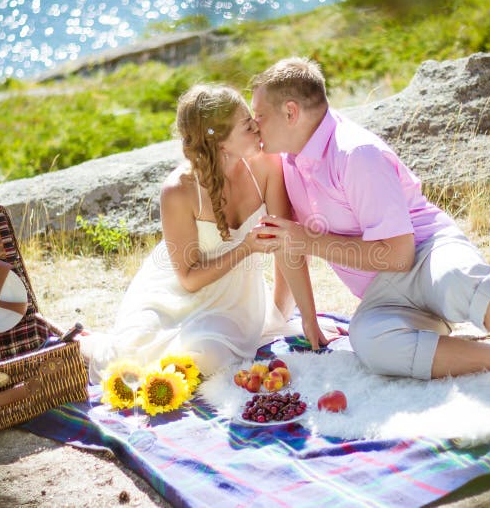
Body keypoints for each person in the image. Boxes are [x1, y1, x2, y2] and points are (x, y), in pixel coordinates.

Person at [248, 57, 490, 430]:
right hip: (383, 292)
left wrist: (310, 241)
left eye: (259, 115)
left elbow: (398, 255)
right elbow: (287, 241)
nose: (254, 124)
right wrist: (309, 320)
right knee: (369, 341)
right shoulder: (288, 161)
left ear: (290, 112)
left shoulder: (355, 153)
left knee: (461, 278)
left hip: (427, 254)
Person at [81, 84, 326, 383]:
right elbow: (188, 278)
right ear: (221, 142)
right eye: (247, 125)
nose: (257, 127)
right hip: (176, 297)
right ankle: (85, 344)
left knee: (205, 357)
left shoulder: (267, 165)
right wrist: (246, 248)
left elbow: (285, 245)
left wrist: (303, 317)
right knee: (134, 359)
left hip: (235, 304)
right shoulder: (178, 190)